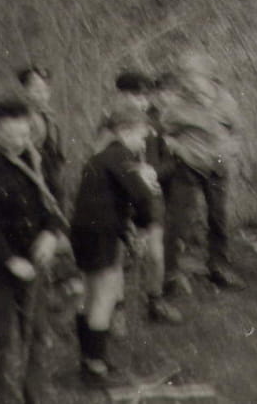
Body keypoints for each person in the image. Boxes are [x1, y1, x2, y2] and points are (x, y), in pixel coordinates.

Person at [70, 109, 179, 388]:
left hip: (85, 233)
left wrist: (127, 229)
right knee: (104, 297)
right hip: (101, 235)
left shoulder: (100, 157)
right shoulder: (122, 158)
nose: (143, 142)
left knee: (90, 295)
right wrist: (147, 194)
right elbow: (144, 196)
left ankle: (89, 361)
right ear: (126, 131)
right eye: (142, 135)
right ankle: (95, 368)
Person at [0, 99, 66, 403]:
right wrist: (8, 260)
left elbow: (54, 200)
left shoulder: (33, 157)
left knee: (39, 334)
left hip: (35, 259)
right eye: (13, 136)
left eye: (25, 133)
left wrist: (49, 233)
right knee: (0, 341)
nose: (22, 141)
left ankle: (37, 396)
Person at [158, 57, 246, 292]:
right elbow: (163, 132)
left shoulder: (226, 100)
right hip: (188, 167)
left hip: (218, 167)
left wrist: (228, 152)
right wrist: (176, 147)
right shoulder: (177, 105)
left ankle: (220, 269)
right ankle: (171, 276)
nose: (188, 85)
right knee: (178, 221)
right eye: (184, 80)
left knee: (218, 219)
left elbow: (237, 131)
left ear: (207, 76)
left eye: (192, 78)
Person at [17, 65, 66, 208]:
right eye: (37, 90)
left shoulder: (50, 116)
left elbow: (57, 146)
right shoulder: (22, 116)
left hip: (52, 170)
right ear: (25, 92)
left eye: (45, 90)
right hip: (33, 170)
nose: (42, 95)